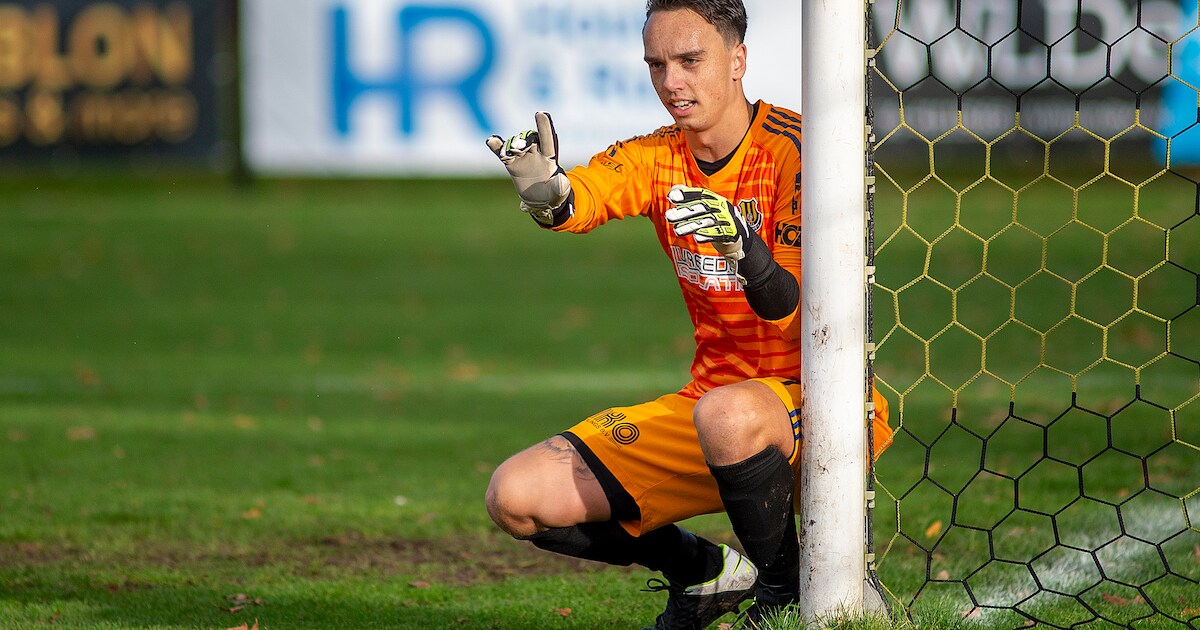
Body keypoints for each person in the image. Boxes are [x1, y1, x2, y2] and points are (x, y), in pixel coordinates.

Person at [484, 1, 892, 628]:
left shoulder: (802, 151)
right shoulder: (658, 155)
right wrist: (550, 197)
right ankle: (703, 571)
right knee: (515, 495)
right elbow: (586, 197)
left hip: (819, 405)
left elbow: (790, 307)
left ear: (738, 60)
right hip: (710, 410)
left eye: (689, 60)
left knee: (727, 415)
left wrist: (747, 252)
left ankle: (785, 597)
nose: (671, 81)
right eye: (656, 65)